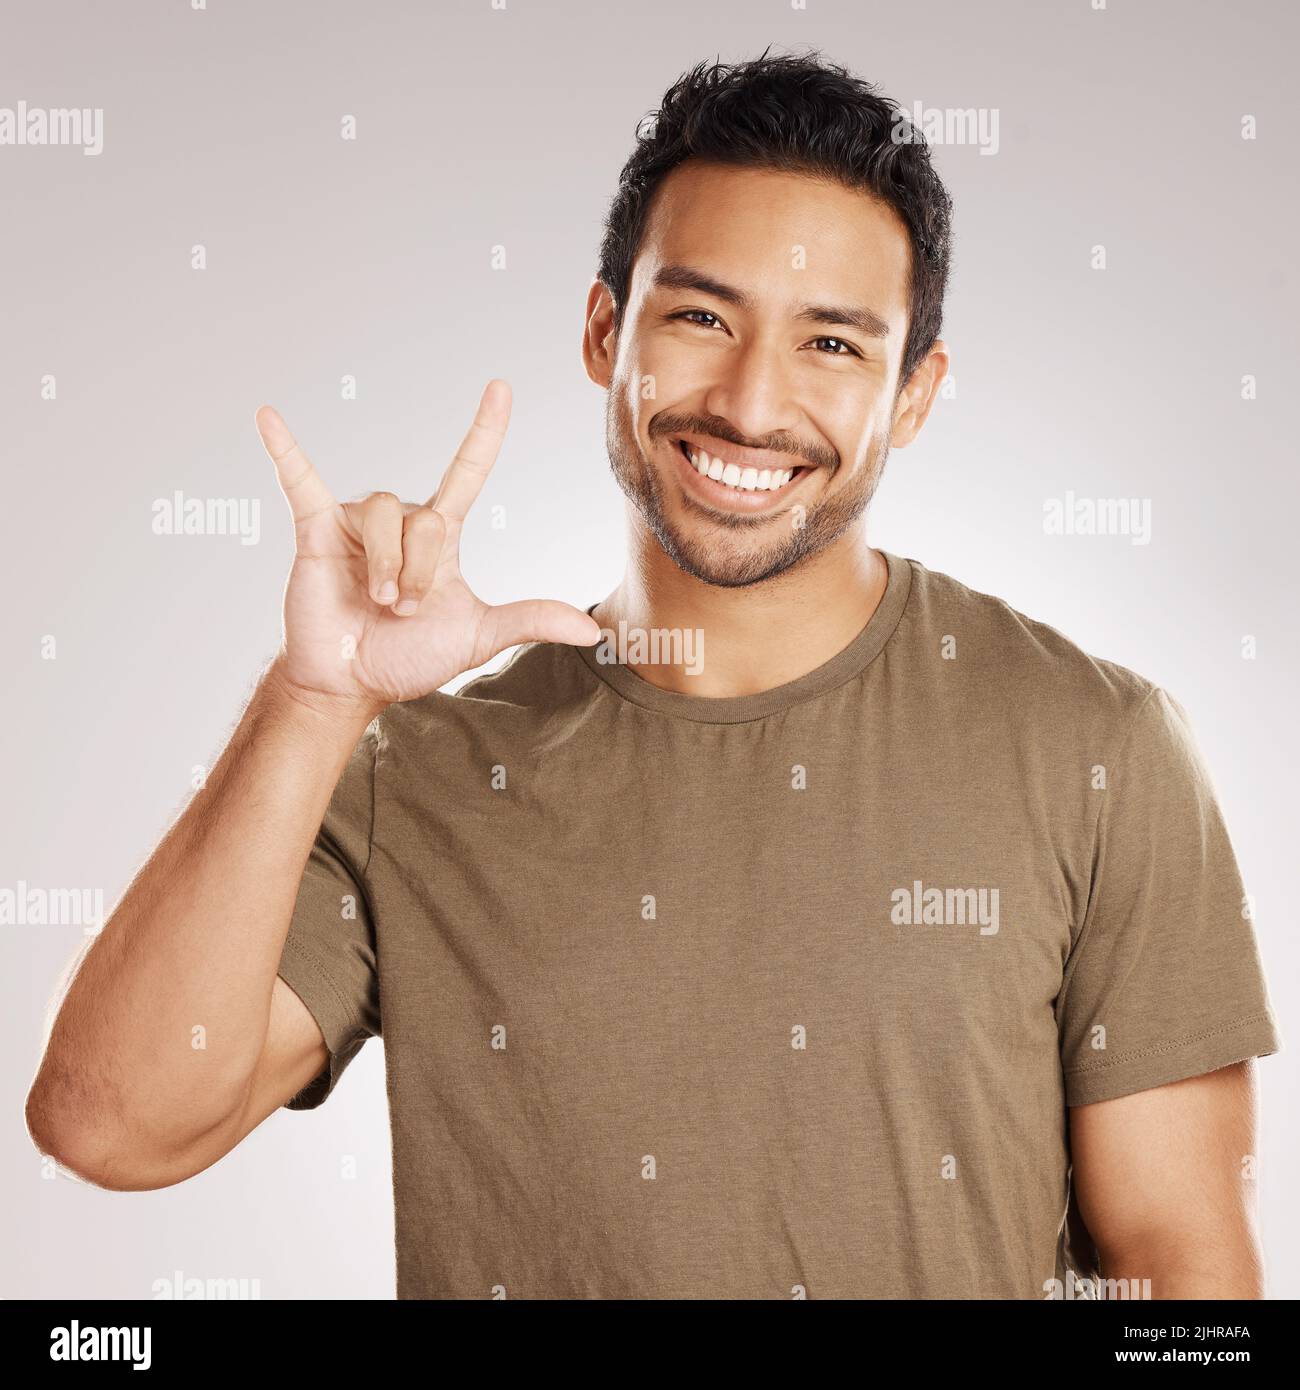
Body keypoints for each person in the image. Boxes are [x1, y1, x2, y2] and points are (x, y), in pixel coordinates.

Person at [25, 51, 1281, 1300]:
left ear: (913, 395)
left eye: (832, 342)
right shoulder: (416, 775)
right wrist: (314, 702)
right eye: (698, 317)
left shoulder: (1100, 747)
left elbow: (1185, 1274)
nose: (748, 402)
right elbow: (110, 1125)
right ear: (602, 333)